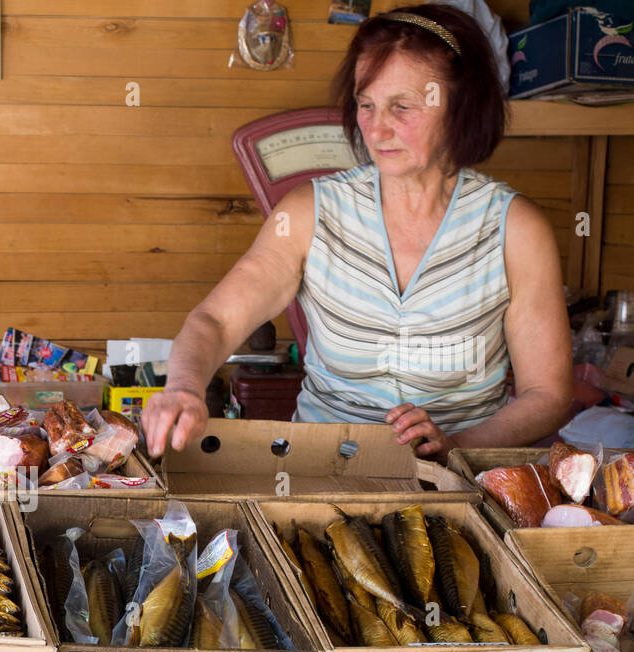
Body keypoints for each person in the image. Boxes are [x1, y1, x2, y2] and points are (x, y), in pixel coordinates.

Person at [142, 4, 573, 461]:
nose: (377, 128)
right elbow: (216, 320)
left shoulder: (517, 231)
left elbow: (548, 393)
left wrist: (456, 447)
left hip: (458, 485)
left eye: (402, 107)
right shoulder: (311, 214)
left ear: (460, 105)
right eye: (366, 105)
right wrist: (185, 388)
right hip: (318, 472)